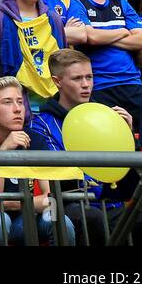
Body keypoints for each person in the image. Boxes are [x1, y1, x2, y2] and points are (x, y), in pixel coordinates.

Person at [28, 49, 132, 245]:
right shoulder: (40, 124)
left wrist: (127, 135)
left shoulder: (106, 116)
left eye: (89, 77)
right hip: (71, 205)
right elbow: (60, 179)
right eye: (77, 79)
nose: (86, 85)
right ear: (57, 82)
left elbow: (125, 176)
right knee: (91, 217)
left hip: (111, 202)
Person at [0, 76, 72, 246]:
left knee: (59, 218)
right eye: (7, 102)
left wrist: (15, 204)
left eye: (20, 102)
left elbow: (50, 198)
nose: (17, 109)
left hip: (24, 217)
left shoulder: (36, 140)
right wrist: (4, 153)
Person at [63, 0, 142, 122]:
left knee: (141, 143)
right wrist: (122, 32)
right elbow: (89, 38)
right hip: (99, 85)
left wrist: (99, 37)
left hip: (132, 83)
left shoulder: (121, 3)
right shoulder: (75, 2)